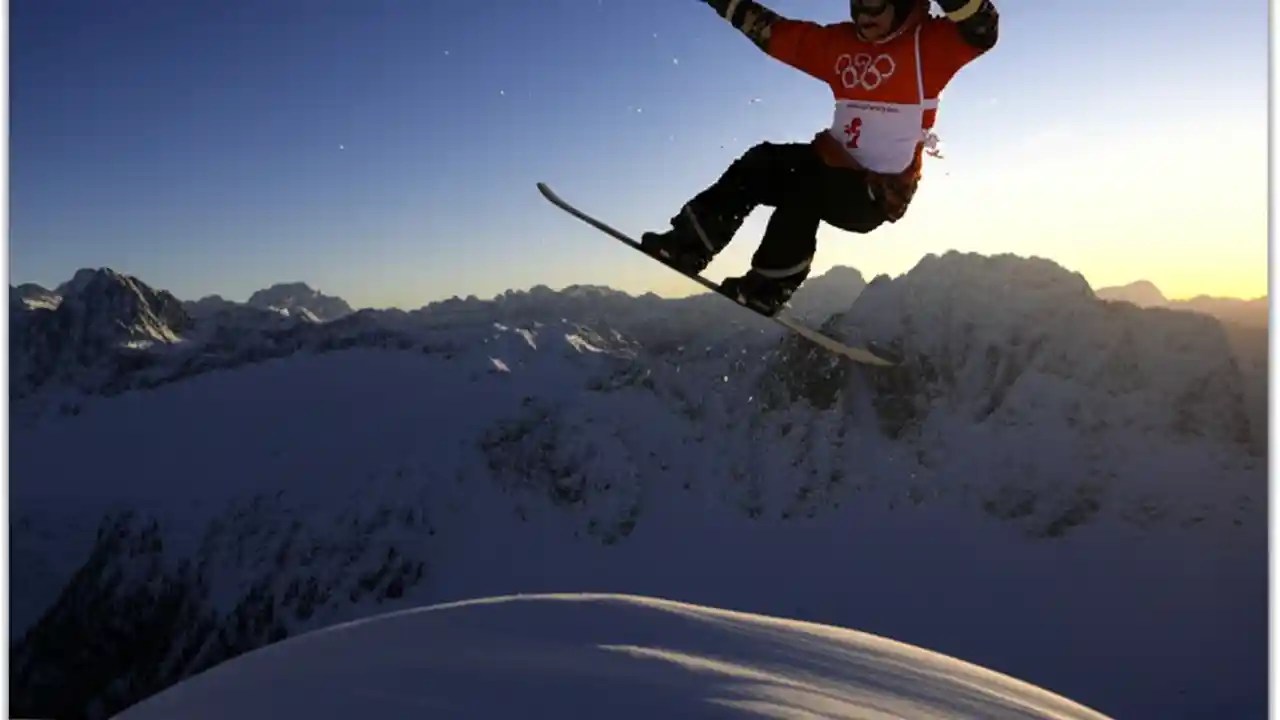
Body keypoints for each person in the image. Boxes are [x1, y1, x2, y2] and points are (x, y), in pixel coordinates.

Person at [641, 0, 1000, 316]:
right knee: (762, 161)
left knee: (805, 180)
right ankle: (690, 244)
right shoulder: (841, 45)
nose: (864, 14)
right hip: (831, 166)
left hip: (871, 198)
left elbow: (981, 28)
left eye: (875, 5)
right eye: (858, 3)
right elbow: (776, 33)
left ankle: (770, 285)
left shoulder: (929, 47)